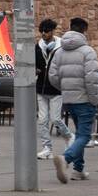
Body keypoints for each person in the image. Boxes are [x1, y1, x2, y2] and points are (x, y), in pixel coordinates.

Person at [47, 17, 98, 182]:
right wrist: (94, 99)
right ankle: (66, 158)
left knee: (78, 135)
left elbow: (53, 76)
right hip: (84, 99)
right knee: (84, 135)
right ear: (84, 30)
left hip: (68, 100)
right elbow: (91, 79)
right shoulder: (88, 52)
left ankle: (78, 169)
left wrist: (65, 89)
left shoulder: (59, 51)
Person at [35, 18, 72, 159]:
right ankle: (46, 148)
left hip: (56, 88)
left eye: (46, 31)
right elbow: (34, 63)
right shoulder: (38, 47)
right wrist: (35, 69)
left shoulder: (61, 47)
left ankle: (69, 137)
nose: (43, 33)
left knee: (56, 119)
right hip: (41, 88)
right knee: (42, 120)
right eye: (42, 31)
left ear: (52, 31)